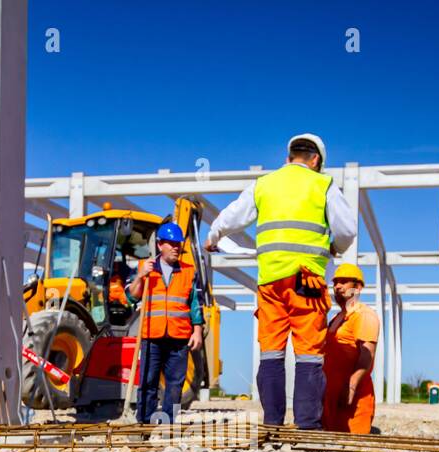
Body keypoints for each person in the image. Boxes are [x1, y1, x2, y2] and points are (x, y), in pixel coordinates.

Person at [206, 133, 357, 428]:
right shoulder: (322, 184)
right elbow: (347, 230)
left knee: (271, 353)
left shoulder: (264, 184)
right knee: (309, 356)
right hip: (307, 282)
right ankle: (306, 426)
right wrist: (334, 248)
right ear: (316, 160)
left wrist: (213, 237)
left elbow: (232, 216)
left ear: (288, 158)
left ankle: (273, 423)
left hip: (271, 282)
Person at [126, 221, 204, 424]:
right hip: (152, 335)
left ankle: (168, 423)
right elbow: (132, 297)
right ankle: (144, 422)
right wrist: (140, 277)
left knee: (175, 384)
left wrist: (197, 331)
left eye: (178, 244)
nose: (176, 248)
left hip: (179, 337)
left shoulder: (188, 271)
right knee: (147, 381)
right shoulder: (147, 269)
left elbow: (195, 304)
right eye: (172, 244)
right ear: (160, 245)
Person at [322, 263, 378, 434]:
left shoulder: (364, 315)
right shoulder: (337, 318)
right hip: (333, 398)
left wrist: (351, 386)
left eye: (344, 282)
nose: (337, 287)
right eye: (335, 283)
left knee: (352, 449)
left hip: (353, 399)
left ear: (358, 287)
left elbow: (367, 355)